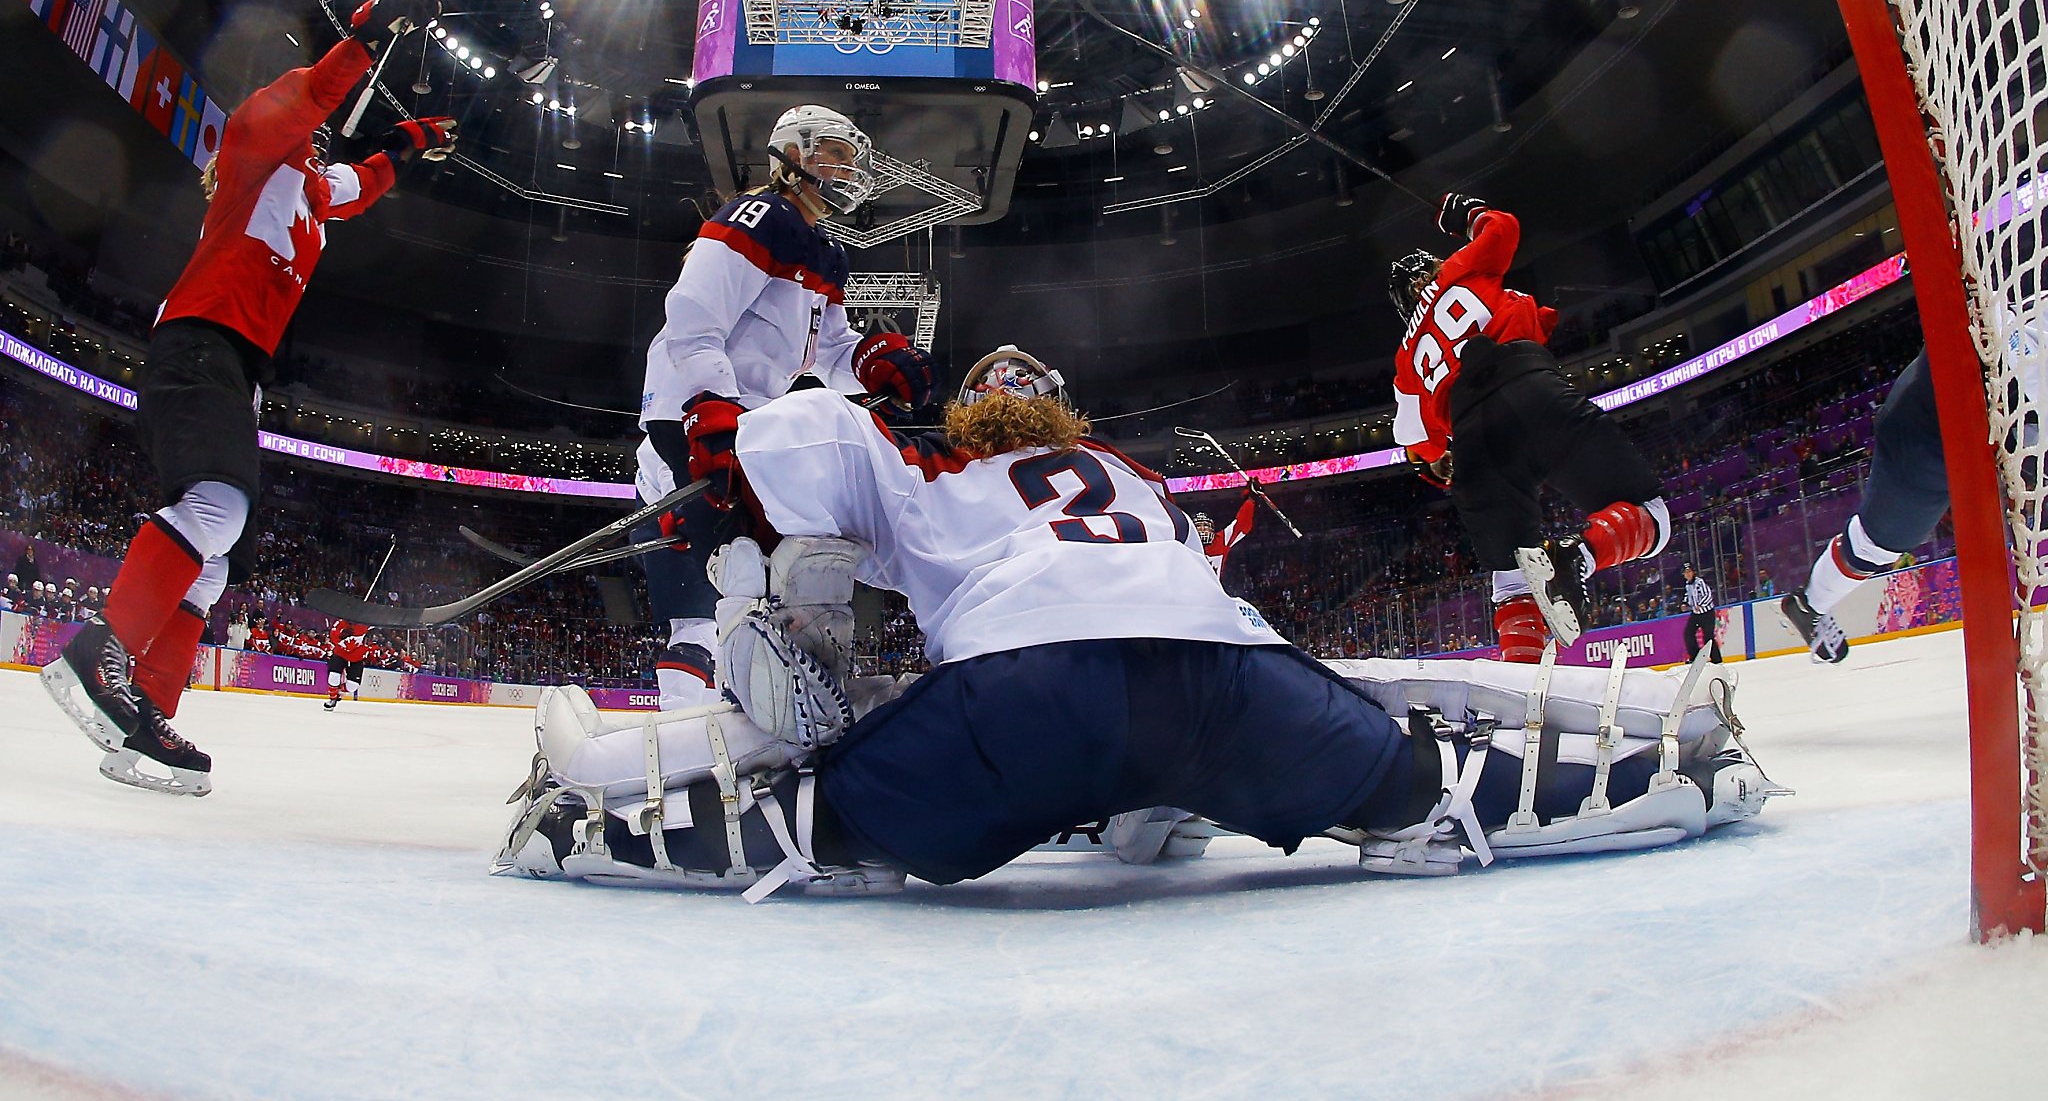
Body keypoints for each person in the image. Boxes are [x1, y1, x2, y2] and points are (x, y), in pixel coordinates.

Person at [494, 346, 1773, 896]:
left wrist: (736, 488)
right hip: (1217, 694)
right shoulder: (1136, 479)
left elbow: (804, 439)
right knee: (1410, 781)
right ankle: (1667, 765)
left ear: (974, 416)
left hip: (1019, 707)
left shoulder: (932, 468)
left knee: (820, 817)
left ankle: (587, 818)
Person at [38, 0, 457, 796]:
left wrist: (409, 142)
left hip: (237, 368)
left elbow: (358, 185)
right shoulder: (255, 146)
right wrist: (373, 31)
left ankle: (143, 716)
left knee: (214, 562)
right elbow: (311, 95)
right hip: (201, 340)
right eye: (316, 137)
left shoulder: (310, 197)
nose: (322, 144)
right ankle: (99, 650)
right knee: (217, 509)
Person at [632, 104, 938, 710]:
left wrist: (876, 360)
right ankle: (697, 726)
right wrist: (708, 409)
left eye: (854, 159)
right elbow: (692, 318)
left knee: (761, 581)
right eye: (837, 154)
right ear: (794, 155)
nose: (850, 169)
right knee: (729, 586)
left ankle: (764, 712)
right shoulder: (758, 217)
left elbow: (829, 352)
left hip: (749, 426)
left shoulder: (825, 251)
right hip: (698, 415)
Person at [1391, 195, 1673, 662]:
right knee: (1654, 517)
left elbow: (1419, 446)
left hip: (1473, 438)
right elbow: (1503, 229)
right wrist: (1468, 216)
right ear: (1432, 270)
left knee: (1510, 581)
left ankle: (1522, 690)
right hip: (1531, 389)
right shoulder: (1455, 272)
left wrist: (1439, 463)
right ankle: (1578, 556)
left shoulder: (1405, 359)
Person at [1781, 347, 1944, 664]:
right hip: (1929, 435)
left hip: (1942, 409)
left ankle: (1811, 604)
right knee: (1875, 545)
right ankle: (1809, 605)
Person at [1192, 488, 1258, 581]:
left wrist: (1250, 500)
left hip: (1213, 588)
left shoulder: (1221, 540)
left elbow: (1241, 524)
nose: (1203, 529)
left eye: (1205, 526)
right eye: (1199, 526)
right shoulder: (1187, 543)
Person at [323, 619, 370, 710]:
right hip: (340, 654)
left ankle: (339, 691)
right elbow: (334, 636)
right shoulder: (340, 623)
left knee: (352, 686)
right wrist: (343, 638)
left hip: (357, 658)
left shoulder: (365, 624)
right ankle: (332, 699)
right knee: (334, 676)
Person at [1681, 561, 1721, 664]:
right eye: (1686, 572)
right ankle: (1695, 656)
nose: (1688, 574)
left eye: (1689, 571)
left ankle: (1716, 660)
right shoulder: (1688, 584)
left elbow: (1708, 595)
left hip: (1707, 613)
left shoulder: (1699, 582)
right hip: (1696, 614)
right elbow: (1688, 595)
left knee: (1708, 637)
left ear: (1693, 572)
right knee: (1688, 633)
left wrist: (1700, 604)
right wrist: (1685, 603)